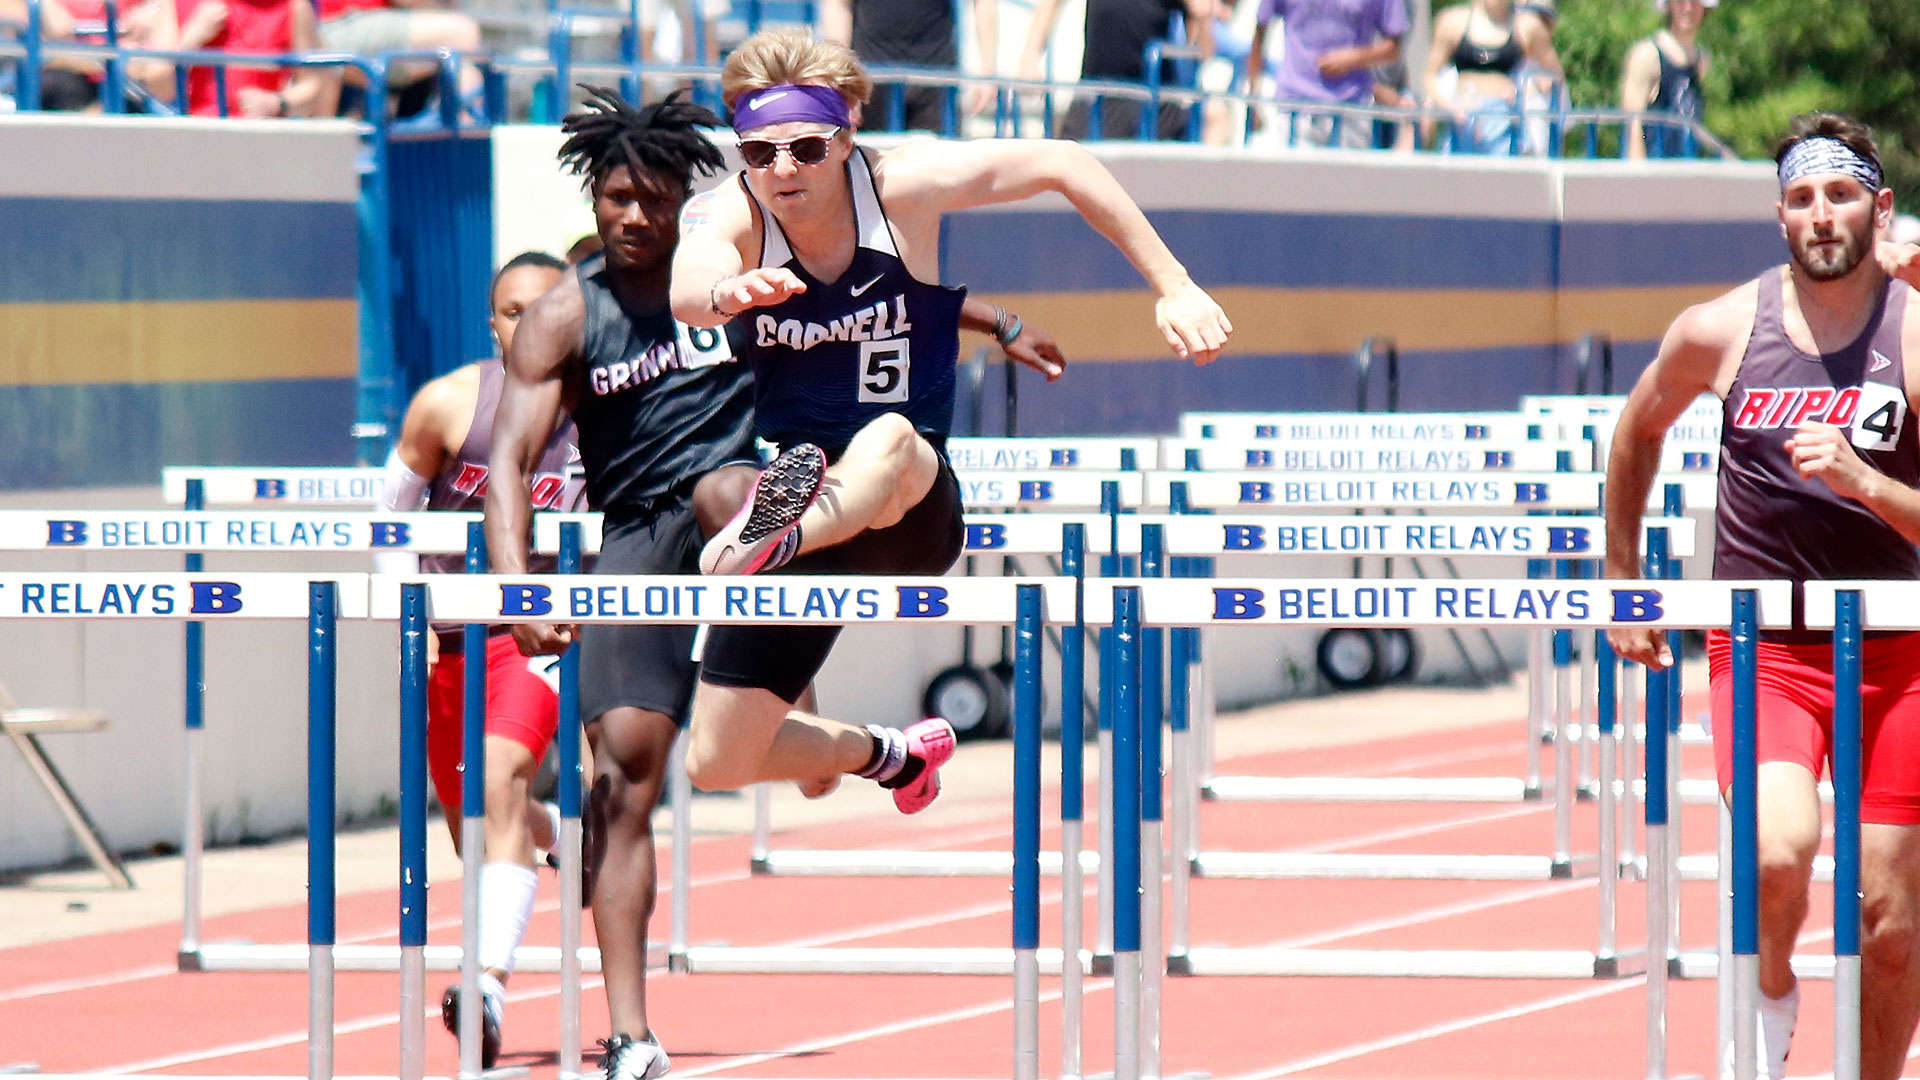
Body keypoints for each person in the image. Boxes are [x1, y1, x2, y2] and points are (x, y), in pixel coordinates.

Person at [484, 84, 1068, 1079]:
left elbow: (882, 293)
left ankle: (785, 610)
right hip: (634, 531)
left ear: (687, 200)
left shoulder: (745, 264)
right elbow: (506, 458)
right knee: (622, 778)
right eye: (617, 199)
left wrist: (996, 319)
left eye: (654, 199)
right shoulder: (562, 317)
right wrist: (519, 581)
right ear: (594, 202)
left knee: (733, 487)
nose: (635, 217)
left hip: (748, 499)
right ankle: (630, 1033)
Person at [668, 31, 1225, 821]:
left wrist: (1173, 286)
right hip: (803, 497)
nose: (782, 169)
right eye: (759, 151)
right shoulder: (732, 209)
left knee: (888, 439)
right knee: (718, 763)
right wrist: (728, 294)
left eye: (804, 147)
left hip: (905, 508)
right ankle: (891, 754)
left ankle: (780, 533)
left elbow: (1063, 161)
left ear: (846, 136)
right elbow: (689, 283)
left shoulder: (905, 185)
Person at [1604, 112, 1920, 1080]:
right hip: (1770, 649)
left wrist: (1867, 484)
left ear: (1879, 205)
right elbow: (1636, 432)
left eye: (1838, 194)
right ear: (1778, 217)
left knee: (1888, 913)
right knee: (1779, 855)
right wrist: (1624, 583)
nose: (1820, 215)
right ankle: (1772, 994)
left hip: (1901, 653)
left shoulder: (1913, 336)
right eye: (1799, 198)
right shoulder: (1718, 329)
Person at [378, 251, 576, 1069]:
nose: (528, 325)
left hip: (551, 635)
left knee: (497, 779)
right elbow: (388, 516)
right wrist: (408, 620)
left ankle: (485, 983)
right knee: (482, 821)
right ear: (491, 322)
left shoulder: (608, 410)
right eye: (512, 311)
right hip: (455, 640)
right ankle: (561, 837)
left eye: (546, 308)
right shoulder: (448, 405)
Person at [1018, 0, 1212, 141]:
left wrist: (1202, 19)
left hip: (1152, 104)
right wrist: (1029, 58)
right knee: (1067, 168)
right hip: (1095, 95)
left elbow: (1203, 50)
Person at [1242, 0, 1407, 150]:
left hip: (1351, 110)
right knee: (1295, 181)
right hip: (1296, 109)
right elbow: (1259, 34)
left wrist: (1353, 58)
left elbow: (1394, 47)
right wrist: (1254, 99)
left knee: (1346, 182)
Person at [819, 0, 999, 132]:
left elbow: (984, 3)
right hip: (871, 80)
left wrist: (987, 71)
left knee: (938, 174)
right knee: (871, 174)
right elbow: (837, 5)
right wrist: (843, 74)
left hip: (936, 81)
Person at [1421, 0, 1558, 155]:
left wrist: (1528, 91)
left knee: (1508, 176)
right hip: (1463, 119)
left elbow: (1554, 75)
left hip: (1505, 121)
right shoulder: (1453, 23)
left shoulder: (1527, 26)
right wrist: (1452, 108)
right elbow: (1429, 77)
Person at [1622, 0, 1713, 160]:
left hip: (1688, 170)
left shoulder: (1702, 61)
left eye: (1695, 2)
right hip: (1656, 170)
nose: (1688, 8)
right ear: (1669, 5)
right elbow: (1632, 124)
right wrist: (1638, 178)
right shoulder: (1647, 55)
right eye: (1680, 1)